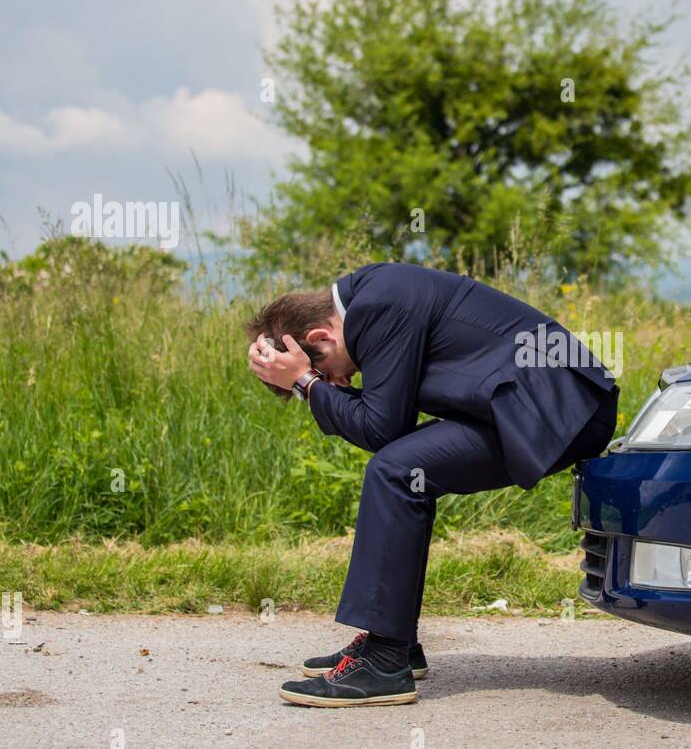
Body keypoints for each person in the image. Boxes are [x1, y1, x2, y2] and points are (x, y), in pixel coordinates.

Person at [245, 262, 618, 707]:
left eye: (327, 372)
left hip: (556, 409)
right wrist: (310, 380)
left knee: (396, 471)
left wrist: (305, 384)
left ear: (321, 338)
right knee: (400, 470)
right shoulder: (373, 294)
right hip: (528, 401)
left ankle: (385, 662)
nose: (341, 384)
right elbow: (389, 423)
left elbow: (381, 428)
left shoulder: (378, 305)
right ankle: (394, 644)